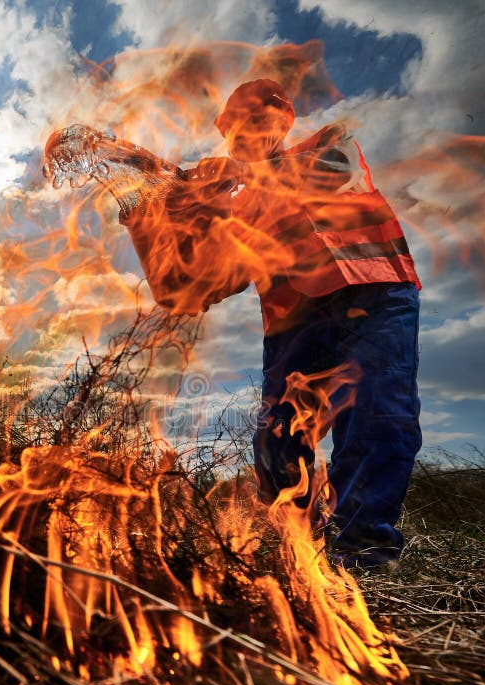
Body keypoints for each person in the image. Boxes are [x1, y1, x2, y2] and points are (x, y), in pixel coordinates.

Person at [44, 78, 422, 569]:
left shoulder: (330, 144)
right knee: (277, 444)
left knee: (377, 410)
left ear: (284, 121)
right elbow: (179, 290)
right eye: (236, 125)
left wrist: (214, 184)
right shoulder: (235, 203)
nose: (246, 132)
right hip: (296, 320)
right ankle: (302, 554)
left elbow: (326, 179)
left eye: (260, 119)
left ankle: (364, 552)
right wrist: (143, 206)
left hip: (374, 290)